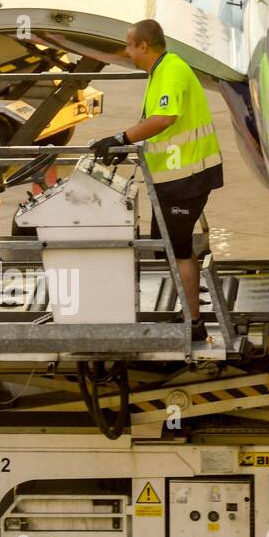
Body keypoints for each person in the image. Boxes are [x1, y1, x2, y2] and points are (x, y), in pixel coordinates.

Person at [91, 19, 223, 342]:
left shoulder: (170, 71)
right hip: (175, 177)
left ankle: (193, 323)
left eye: (130, 45)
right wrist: (129, 144)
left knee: (176, 249)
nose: (126, 52)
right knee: (167, 249)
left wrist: (121, 136)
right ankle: (188, 314)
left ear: (143, 46)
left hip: (186, 178)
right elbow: (154, 121)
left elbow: (165, 118)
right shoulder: (162, 70)